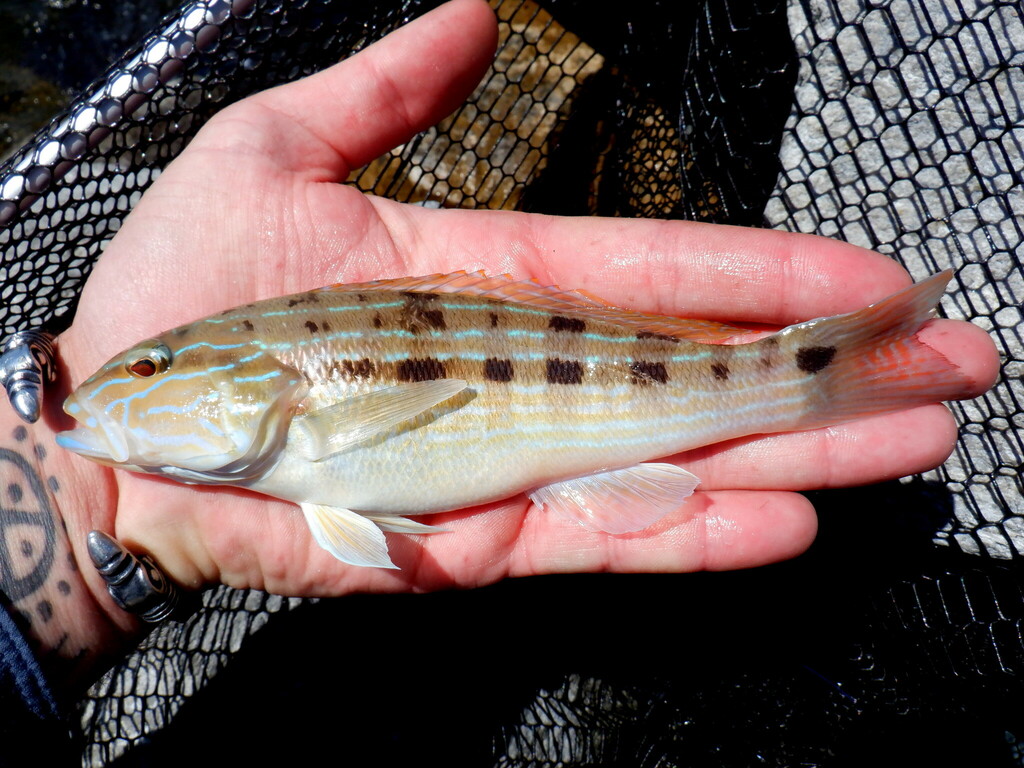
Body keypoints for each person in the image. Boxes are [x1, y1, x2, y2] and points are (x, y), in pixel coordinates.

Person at [0, 0, 998, 756]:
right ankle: (826, 369)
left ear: (254, 382)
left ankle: (819, 370)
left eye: (158, 366)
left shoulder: (280, 423)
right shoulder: (253, 426)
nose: (105, 394)